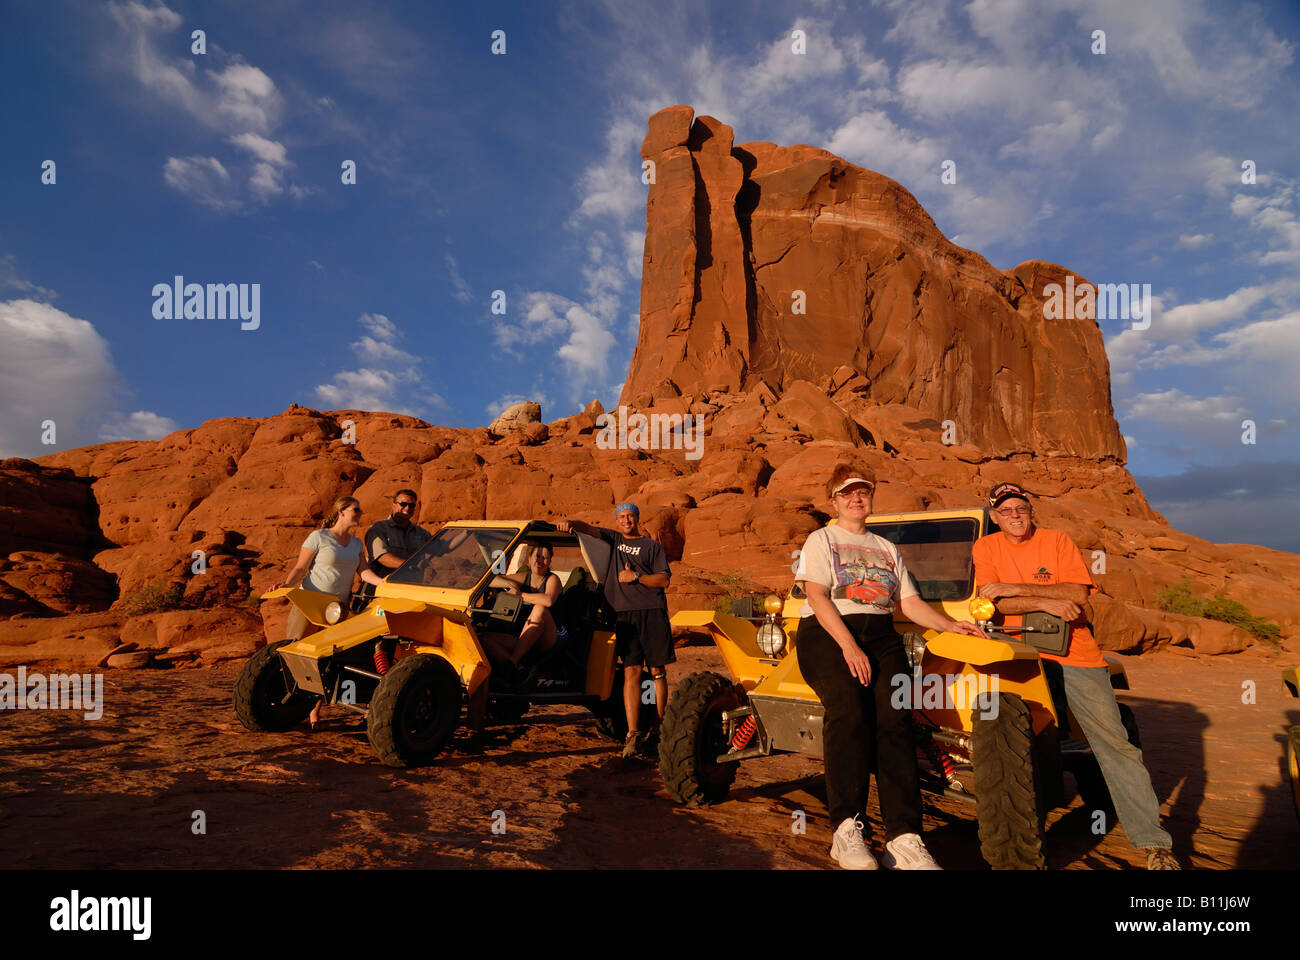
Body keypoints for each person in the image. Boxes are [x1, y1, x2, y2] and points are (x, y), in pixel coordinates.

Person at [972, 481, 1179, 870]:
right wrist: (1048, 599)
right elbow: (991, 601)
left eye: (1021, 508)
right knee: (1008, 741)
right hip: (1014, 651)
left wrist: (1018, 590)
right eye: (1005, 511)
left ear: (1031, 511)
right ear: (995, 517)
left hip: (1074, 652)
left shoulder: (1056, 540)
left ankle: (1155, 844)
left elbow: (1078, 595)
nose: (1014, 516)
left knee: (1114, 743)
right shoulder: (986, 546)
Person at [794, 462, 985, 871]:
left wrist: (953, 625)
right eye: (847, 493)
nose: (856, 498)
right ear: (835, 500)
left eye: (863, 491)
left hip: (882, 634)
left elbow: (910, 604)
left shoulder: (887, 548)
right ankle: (846, 830)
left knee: (895, 722)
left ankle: (904, 838)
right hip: (827, 632)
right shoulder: (821, 539)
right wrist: (848, 646)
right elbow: (817, 595)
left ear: (871, 497)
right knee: (848, 711)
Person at [557, 504, 672, 759]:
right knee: (631, 671)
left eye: (630, 516)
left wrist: (637, 576)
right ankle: (633, 734)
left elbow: (663, 580)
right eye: (621, 517)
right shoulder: (615, 539)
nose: (626, 520)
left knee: (656, 672)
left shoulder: (651, 547)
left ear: (637, 518)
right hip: (624, 616)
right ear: (617, 521)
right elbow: (589, 529)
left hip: (652, 611)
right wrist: (570, 522)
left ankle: (659, 728)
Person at [269, 495, 386, 730]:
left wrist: (384, 582)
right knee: (295, 649)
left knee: (327, 659)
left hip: (337, 609)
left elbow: (363, 573)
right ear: (341, 511)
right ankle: (282, 703)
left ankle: (314, 712)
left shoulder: (355, 544)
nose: (360, 513)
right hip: (309, 602)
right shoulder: (318, 537)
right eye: (356, 509)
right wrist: (286, 584)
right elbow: (300, 567)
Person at [481, 541, 563, 672]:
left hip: (549, 636)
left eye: (545, 558)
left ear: (549, 562)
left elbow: (548, 601)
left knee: (539, 608)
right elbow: (490, 580)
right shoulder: (524, 577)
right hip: (525, 637)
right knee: (485, 639)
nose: (540, 561)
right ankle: (519, 670)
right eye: (537, 556)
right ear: (529, 559)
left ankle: (513, 661)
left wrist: (520, 594)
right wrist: (508, 584)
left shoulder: (553, 579)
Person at [366, 489, 432, 579]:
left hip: (410, 586)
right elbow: (382, 558)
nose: (407, 508)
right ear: (393, 505)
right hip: (383, 586)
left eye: (411, 505)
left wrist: (456, 526)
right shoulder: (379, 529)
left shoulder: (420, 532)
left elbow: (444, 547)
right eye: (403, 504)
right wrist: (412, 565)